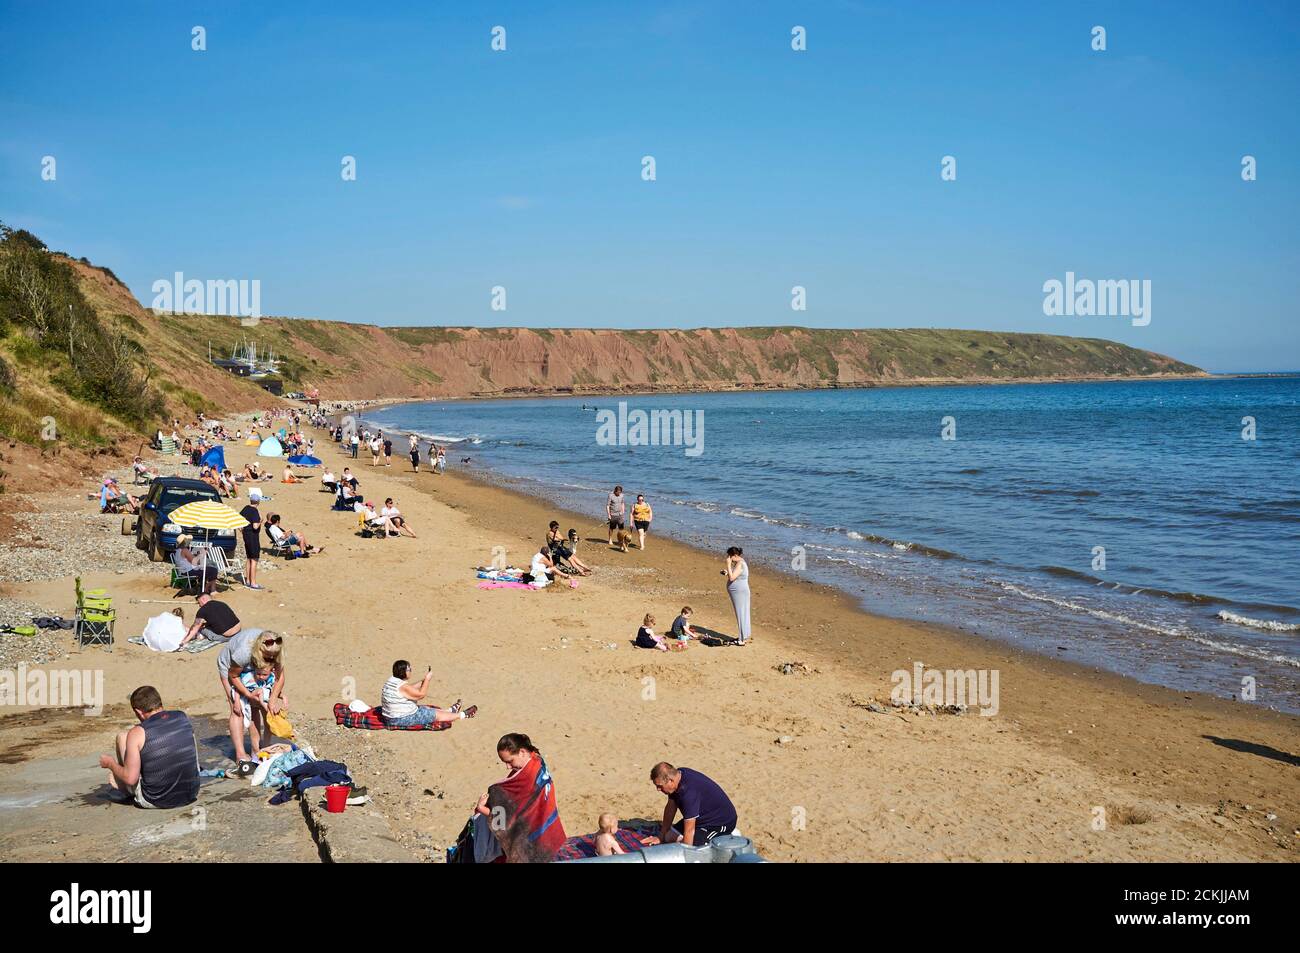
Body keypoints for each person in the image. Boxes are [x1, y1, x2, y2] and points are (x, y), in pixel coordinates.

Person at [471, 733, 567, 863]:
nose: (508, 767)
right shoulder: (537, 760)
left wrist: (481, 808)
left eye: (510, 761)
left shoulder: (524, 779)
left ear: (522, 752)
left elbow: (503, 821)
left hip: (529, 842)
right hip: (549, 833)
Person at [99, 686, 199, 809]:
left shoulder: (137, 732)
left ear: (138, 711)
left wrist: (111, 764)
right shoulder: (182, 716)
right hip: (191, 794)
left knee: (123, 737)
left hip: (155, 799)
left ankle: (124, 788)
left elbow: (131, 779)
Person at [218, 630, 285, 774]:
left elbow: (279, 677)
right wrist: (248, 695)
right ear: (260, 649)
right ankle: (241, 755)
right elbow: (233, 676)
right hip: (231, 667)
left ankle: (258, 750)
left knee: (258, 708)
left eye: (273, 657)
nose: (271, 659)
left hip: (256, 671)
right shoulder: (244, 652)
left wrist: (273, 700)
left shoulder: (274, 652)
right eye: (268, 656)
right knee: (238, 710)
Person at [651, 762, 738, 847]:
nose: (658, 789)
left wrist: (687, 852)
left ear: (671, 781)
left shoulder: (688, 793)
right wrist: (661, 837)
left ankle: (728, 837)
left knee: (698, 849)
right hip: (701, 819)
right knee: (668, 837)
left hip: (720, 822)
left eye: (660, 786)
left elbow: (689, 830)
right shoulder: (679, 774)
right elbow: (671, 807)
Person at [381, 660, 477, 727]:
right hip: (398, 719)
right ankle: (463, 715)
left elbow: (410, 689)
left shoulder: (392, 681)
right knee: (434, 714)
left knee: (426, 709)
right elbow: (421, 695)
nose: (411, 671)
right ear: (403, 672)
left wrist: (424, 680)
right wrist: (427, 680)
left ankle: (449, 710)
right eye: (409, 669)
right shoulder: (402, 686)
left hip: (391, 717)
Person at [180, 592, 250, 648]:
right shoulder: (222, 603)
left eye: (199, 602)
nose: (199, 605)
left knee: (200, 628)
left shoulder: (203, 610)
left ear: (203, 599)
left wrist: (184, 641)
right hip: (238, 631)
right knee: (209, 624)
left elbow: (195, 628)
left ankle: (200, 635)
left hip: (226, 637)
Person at [724, 546, 751, 645]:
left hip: (740, 592)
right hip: (740, 591)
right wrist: (728, 572)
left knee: (741, 614)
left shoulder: (740, 563)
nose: (728, 557)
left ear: (735, 555)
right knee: (742, 613)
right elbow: (735, 575)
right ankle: (743, 636)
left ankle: (742, 640)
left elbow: (731, 578)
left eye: (729, 556)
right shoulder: (740, 562)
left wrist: (728, 564)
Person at [239, 495, 263, 590]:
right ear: (258, 502)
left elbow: (239, 521)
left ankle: (248, 581)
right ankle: (253, 583)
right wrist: (261, 521)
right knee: (254, 559)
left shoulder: (245, 508)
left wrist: (242, 530)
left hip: (246, 536)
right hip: (253, 537)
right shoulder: (254, 511)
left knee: (249, 558)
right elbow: (255, 527)